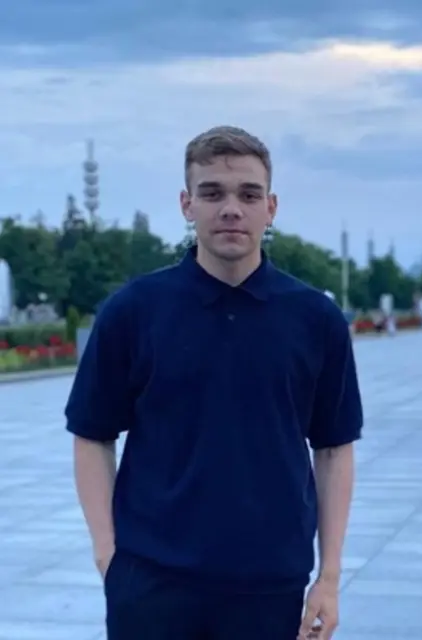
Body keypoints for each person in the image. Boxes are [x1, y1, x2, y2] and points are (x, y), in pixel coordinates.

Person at [65, 125, 363, 640]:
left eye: (248, 194)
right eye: (212, 193)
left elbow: (334, 448)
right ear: (187, 204)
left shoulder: (315, 320)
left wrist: (329, 577)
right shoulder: (134, 312)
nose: (231, 209)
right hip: (151, 583)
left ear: (271, 208)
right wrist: (107, 556)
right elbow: (92, 435)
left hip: (270, 585)